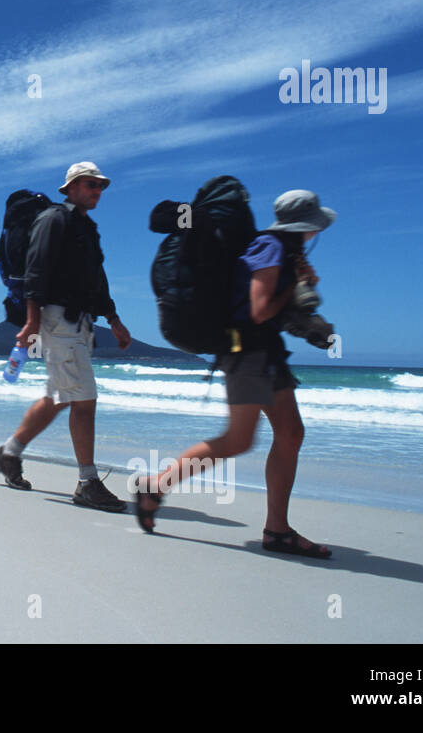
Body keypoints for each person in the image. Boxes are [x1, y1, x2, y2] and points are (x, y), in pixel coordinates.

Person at [134, 189, 335, 559]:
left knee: (291, 433)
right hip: (247, 353)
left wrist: (307, 315)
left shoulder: (285, 251)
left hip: (266, 353)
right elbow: (259, 310)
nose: (316, 233)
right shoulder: (270, 247)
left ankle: (277, 530)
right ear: (306, 225)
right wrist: (294, 284)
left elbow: (272, 311)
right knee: (238, 440)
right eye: (315, 226)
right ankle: (156, 485)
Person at [0, 161, 133, 511]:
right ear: (70, 188)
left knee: (61, 395)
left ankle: (9, 453)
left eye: (100, 186)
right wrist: (32, 322)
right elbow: (36, 270)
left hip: (78, 321)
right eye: (90, 184)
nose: (96, 191)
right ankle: (87, 482)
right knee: (84, 400)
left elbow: (97, 279)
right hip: (57, 320)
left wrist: (113, 319)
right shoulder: (54, 219)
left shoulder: (85, 227)